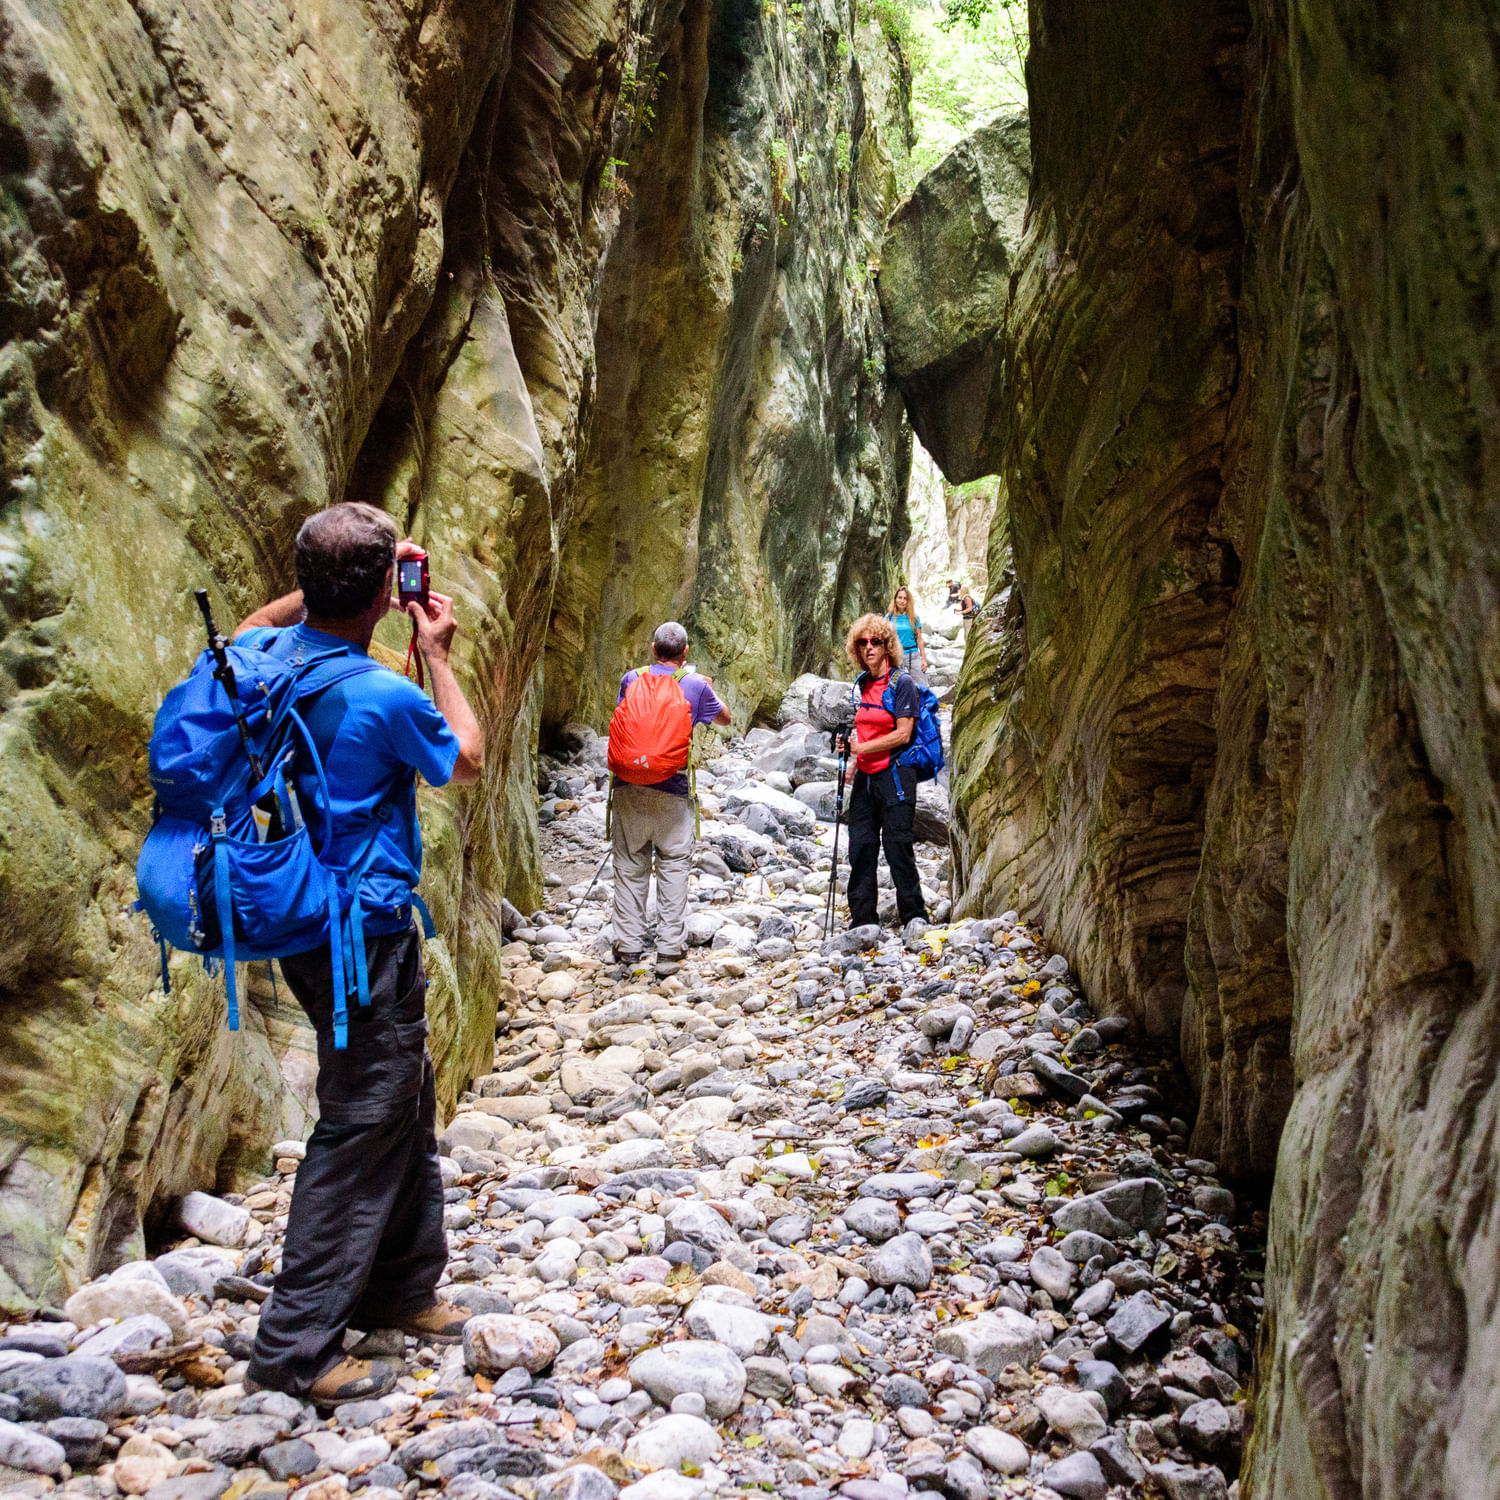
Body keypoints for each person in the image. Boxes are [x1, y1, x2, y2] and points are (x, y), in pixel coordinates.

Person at [231, 502, 484, 1407]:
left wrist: (328, 589)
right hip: (363, 933)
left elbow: (255, 623)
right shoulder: (386, 695)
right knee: (364, 1114)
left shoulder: (263, 663)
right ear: (388, 591)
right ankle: (295, 1346)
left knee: (398, 1091)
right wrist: (439, 656)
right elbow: (466, 757)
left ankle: (401, 1286)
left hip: (297, 914)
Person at [610, 622, 730, 977]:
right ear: (686, 653)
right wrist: (707, 689)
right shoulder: (693, 684)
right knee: (674, 866)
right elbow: (723, 718)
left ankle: (629, 947)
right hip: (673, 790)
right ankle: (668, 950)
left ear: (653, 649)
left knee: (631, 865)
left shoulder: (632, 679)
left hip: (628, 787)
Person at [837, 614, 928, 931]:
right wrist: (850, 753)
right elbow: (864, 730)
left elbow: (904, 734)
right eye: (862, 643)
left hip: (896, 776)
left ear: (888, 646)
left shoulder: (901, 684)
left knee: (897, 846)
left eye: (875, 641)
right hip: (864, 776)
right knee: (861, 846)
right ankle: (862, 920)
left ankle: (914, 918)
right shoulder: (863, 684)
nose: (869, 648)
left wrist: (863, 749)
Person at [885, 585, 928, 684]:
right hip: (895, 656)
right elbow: (884, 639)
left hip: (912, 655)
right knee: (896, 688)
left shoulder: (914, 617)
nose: (902, 601)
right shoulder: (889, 617)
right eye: (899, 597)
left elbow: (919, 639)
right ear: (895, 599)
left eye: (905, 598)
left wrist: (923, 659)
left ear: (908, 601)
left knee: (922, 687)